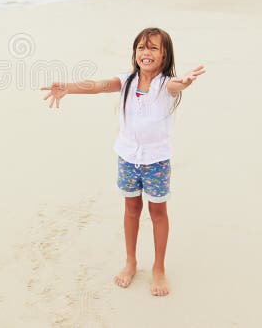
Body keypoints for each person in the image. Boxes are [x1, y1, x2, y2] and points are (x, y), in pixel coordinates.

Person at [41, 27, 205, 296]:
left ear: (165, 55)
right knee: (131, 209)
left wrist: (185, 82)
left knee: (158, 213)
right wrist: (68, 88)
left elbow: (177, 85)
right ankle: (131, 262)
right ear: (135, 53)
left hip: (156, 162)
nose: (146, 52)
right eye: (141, 47)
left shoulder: (166, 85)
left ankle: (159, 267)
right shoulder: (127, 80)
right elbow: (98, 86)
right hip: (127, 158)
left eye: (153, 48)